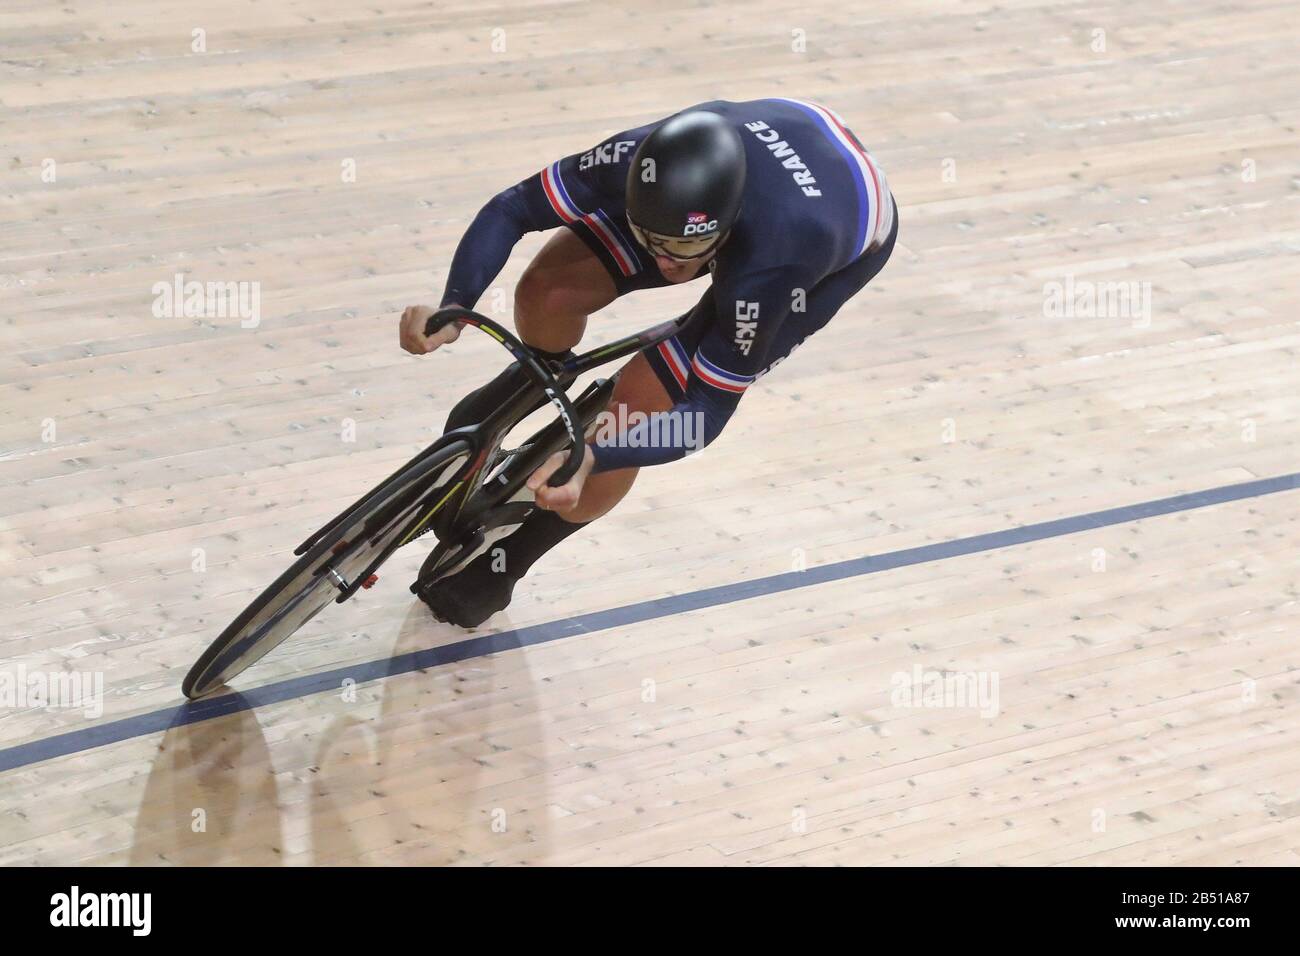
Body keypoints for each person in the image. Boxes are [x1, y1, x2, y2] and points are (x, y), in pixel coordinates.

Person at [398, 98, 898, 626]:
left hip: (823, 233)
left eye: (683, 250)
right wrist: (456, 304)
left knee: (635, 408)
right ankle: (529, 380)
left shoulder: (778, 259)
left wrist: (595, 459)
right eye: (652, 242)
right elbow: (513, 207)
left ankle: (511, 564)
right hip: (749, 167)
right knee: (549, 290)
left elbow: (705, 411)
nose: (665, 266)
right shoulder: (635, 160)